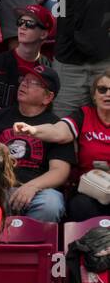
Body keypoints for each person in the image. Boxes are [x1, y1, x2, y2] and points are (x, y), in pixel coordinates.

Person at [0, 66, 72, 222]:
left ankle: (35, 246)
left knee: (51, 204)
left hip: (38, 191)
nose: (25, 84)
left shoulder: (55, 127)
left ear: (47, 98)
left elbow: (60, 171)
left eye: (34, 83)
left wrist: (32, 186)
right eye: (24, 79)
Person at [13, 68, 110, 220]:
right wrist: (32, 129)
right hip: (91, 190)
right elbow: (58, 132)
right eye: (102, 89)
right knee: (79, 206)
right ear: (94, 96)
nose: (108, 94)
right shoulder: (84, 115)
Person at [0, 4, 54, 110]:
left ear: (43, 34)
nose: (22, 27)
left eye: (29, 24)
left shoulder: (49, 68)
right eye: (20, 22)